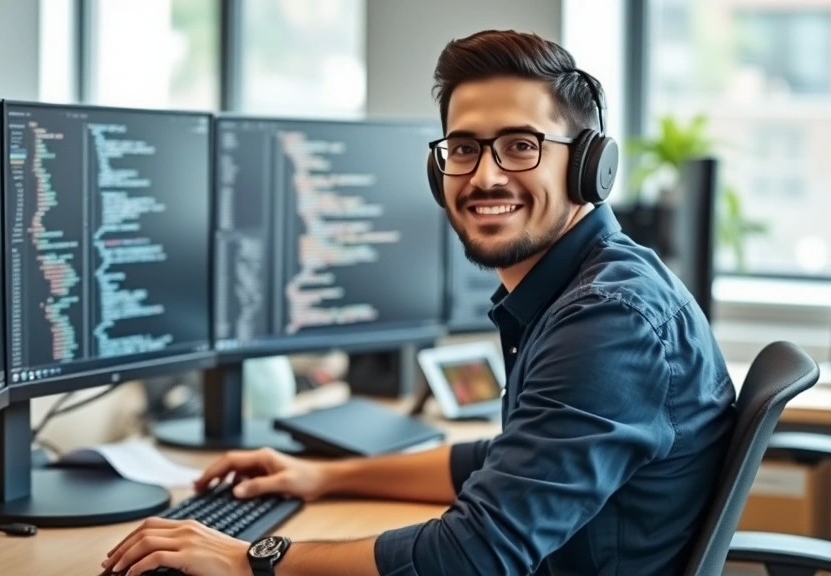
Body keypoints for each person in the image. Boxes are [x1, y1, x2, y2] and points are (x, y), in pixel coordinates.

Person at [101, 29, 737, 576]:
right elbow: (510, 461)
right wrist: (322, 477)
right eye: (464, 149)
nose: (486, 176)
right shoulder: (583, 290)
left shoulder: (607, 321)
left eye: (521, 145)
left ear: (588, 168)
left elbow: (474, 555)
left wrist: (251, 558)